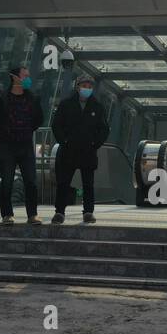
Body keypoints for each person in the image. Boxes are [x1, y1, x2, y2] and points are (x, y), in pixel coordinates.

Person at [0, 66, 44, 224]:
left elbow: (39, 119)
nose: (28, 79)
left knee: (31, 181)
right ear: (15, 78)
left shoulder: (32, 98)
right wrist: (1, 131)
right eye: (25, 76)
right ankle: (7, 214)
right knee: (7, 181)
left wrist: (27, 129)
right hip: (7, 146)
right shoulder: (1, 98)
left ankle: (32, 214)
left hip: (26, 145)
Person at [50, 71, 109, 224]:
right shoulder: (66, 104)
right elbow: (56, 125)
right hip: (69, 150)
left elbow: (104, 129)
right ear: (77, 87)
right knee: (64, 182)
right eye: (84, 85)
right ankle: (59, 212)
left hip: (88, 151)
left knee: (88, 183)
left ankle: (88, 212)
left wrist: (95, 143)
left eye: (90, 86)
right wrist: (64, 141)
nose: (87, 88)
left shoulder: (97, 106)